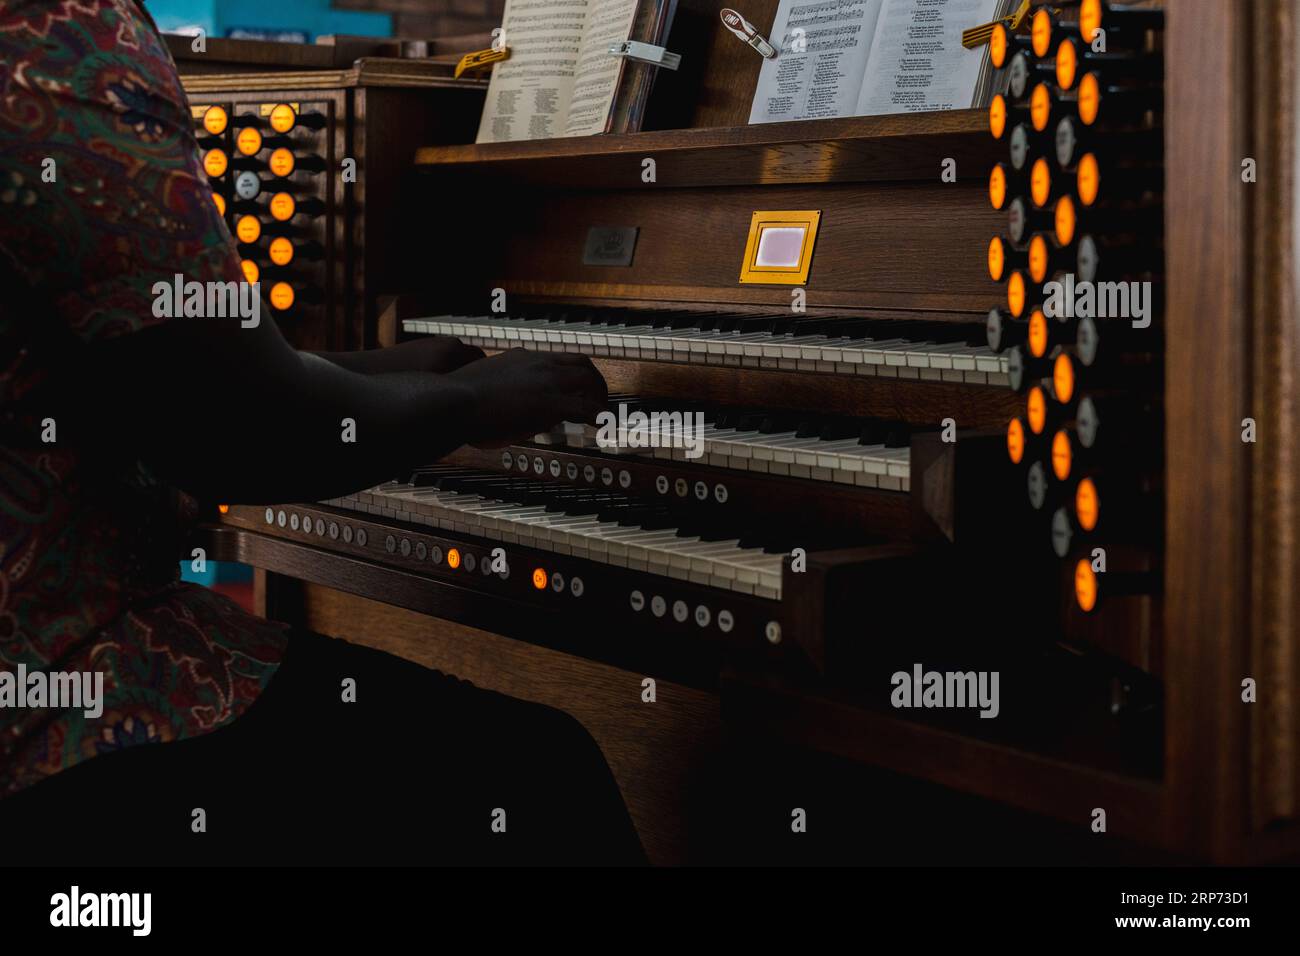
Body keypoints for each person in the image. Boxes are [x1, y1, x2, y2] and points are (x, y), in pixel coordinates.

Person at [0, 0, 642, 865]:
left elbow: (153, 374)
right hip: (55, 721)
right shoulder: (57, 38)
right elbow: (240, 429)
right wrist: (468, 405)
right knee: (541, 772)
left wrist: (400, 378)